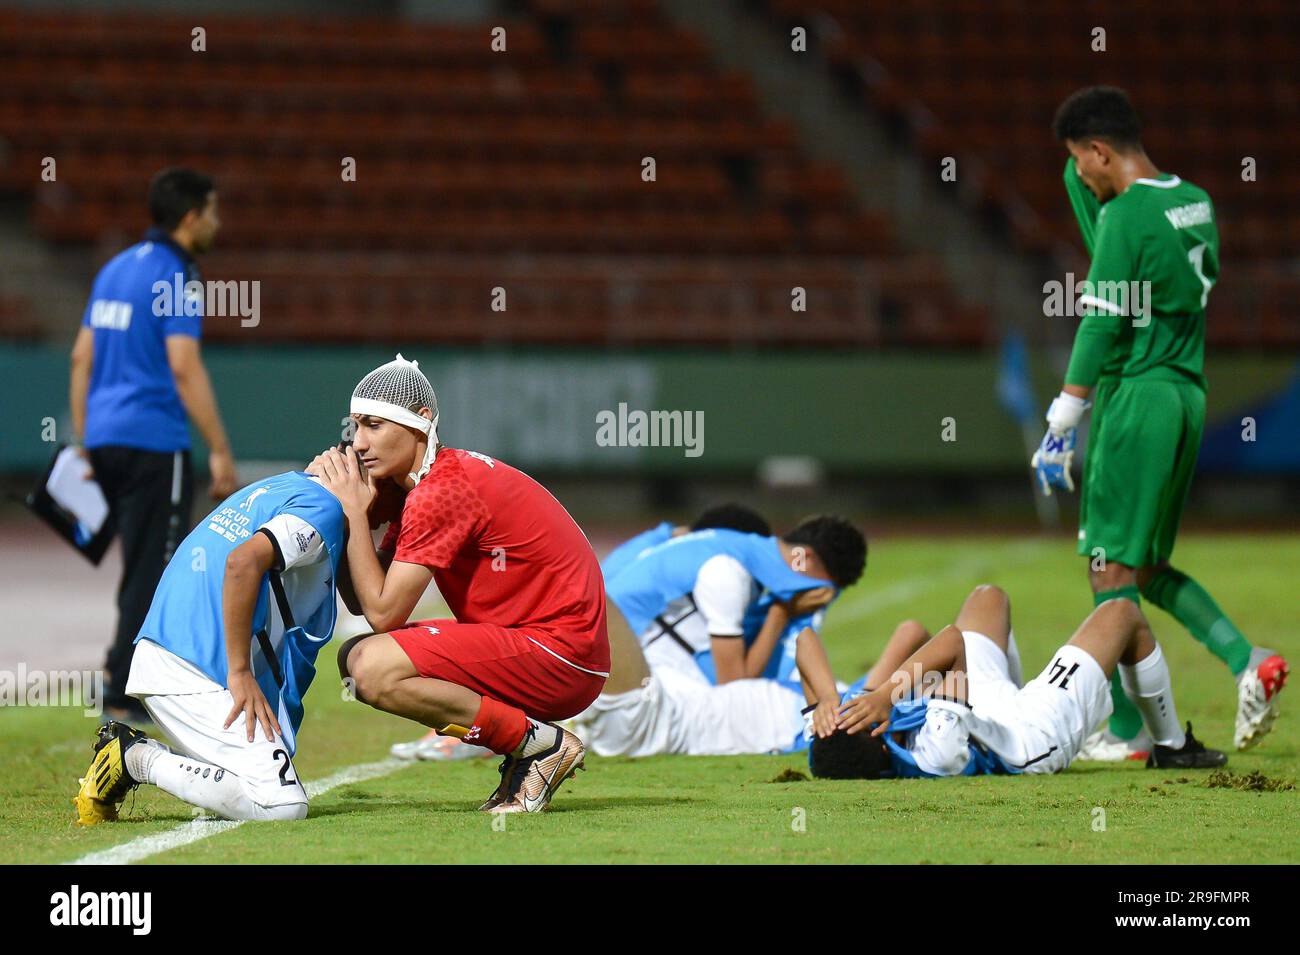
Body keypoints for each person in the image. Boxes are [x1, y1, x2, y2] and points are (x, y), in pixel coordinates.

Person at [1032, 86, 1286, 756]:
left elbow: (1100, 319)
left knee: (1108, 572)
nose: (1079, 176)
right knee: (1145, 567)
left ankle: (1129, 731)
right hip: (1186, 393)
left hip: (1137, 398)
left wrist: (1063, 417)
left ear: (1099, 150)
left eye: (1080, 162)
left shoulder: (1125, 218)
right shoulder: (1194, 200)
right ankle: (1246, 658)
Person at [317, 355, 608, 814]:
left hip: (559, 655)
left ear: (422, 421)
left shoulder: (441, 492)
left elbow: (383, 612)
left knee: (371, 668)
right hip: (550, 647)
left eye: (373, 424)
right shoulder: (431, 484)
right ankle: (526, 752)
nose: (359, 442)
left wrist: (352, 511)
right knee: (355, 659)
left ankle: (539, 746)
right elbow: (362, 597)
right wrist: (342, 515)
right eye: (355, 427)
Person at [72, 464, 354, 825]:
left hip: (175, 652)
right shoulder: (324, 506)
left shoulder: (290, 484)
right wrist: (239, 671)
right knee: (282, 804)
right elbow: (242, 562)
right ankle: (133, 757)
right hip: (190, 668)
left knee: (255, 775)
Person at [390, 502, 771, 761]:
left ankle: (460, 734)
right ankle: (473, 735)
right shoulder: (722, 569)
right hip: (608, 670)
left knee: (500, 661)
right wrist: (781, 617)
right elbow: (733, 685)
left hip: (567, 647)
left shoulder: (655, 546)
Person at [68, 167, 237, 725]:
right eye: (211, 210)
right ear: (190, 217)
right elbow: (184, 367)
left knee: (136, 566)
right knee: (154, 569)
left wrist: (87, 441)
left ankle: (122, 679)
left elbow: (80, 359)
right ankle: (123, 691)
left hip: (107, 436)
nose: (217, 221)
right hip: (153, 442)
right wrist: (218, 447)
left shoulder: (115, 269)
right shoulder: (178, 275)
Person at [810, 585, 1228, 779]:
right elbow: (950, 643)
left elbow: (804, 641)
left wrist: (827, 699)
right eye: (852, 714)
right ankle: (1172, 747)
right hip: (1029, 734)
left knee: (987, 597)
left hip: (978, 711)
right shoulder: (937, 753)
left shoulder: (852, 733)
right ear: (880, 740)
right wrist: (884, 694)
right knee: (1121, 614)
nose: (850, 709)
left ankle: (1037, 683)